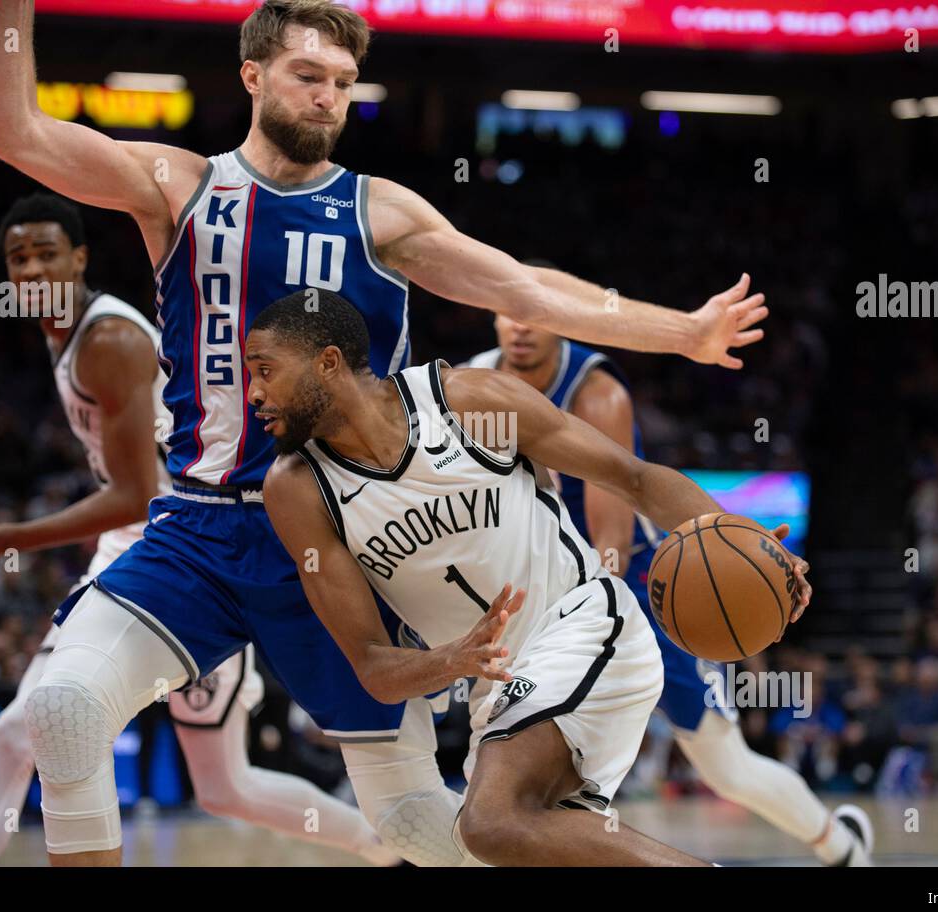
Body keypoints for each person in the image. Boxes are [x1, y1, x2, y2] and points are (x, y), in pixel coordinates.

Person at [0, 0, 769, 865]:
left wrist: (682, 333)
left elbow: (529, 292)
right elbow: (10, 130)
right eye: (307, 76)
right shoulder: (181, 185)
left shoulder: (378, 212)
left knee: (424, 827)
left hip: (336, 533)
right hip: (197, 528)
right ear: (253, 76)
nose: (327, 98)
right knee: (62, 710)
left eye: (344, 84)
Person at [252, 289, 812, 865]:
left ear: (328, 362)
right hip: (496, 689)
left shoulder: (467, 401)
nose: (254, 394)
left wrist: (751, 542)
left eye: (265, 371)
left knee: (492, 823)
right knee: (511, 840)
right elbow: (372, 666)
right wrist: (448, 661)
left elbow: (636, 480)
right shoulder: (295, 489)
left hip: (585, 628)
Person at [0, 194, 397, 867]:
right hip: (163, 539)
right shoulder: (65, 334)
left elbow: (133, 497)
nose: (31, 270)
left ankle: (384, 844)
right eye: (18, 258)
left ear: (81, 258)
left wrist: (3, 537)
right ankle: (381, 847)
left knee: (218, 784)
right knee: (200, 780)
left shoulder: (109, 341)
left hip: (176, 542)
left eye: (47, 254)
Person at [465, 301, 873, 864]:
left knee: (723, 765)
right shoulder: (474, 381)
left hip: (631, 591)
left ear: (559, 320)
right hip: (532, 591)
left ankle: (844, 849)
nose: (520, 327)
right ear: (493, 321)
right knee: (515, 771)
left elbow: (611, 535)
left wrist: (570, 626)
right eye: (507, 315)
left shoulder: (596, 393)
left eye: (534, 316)